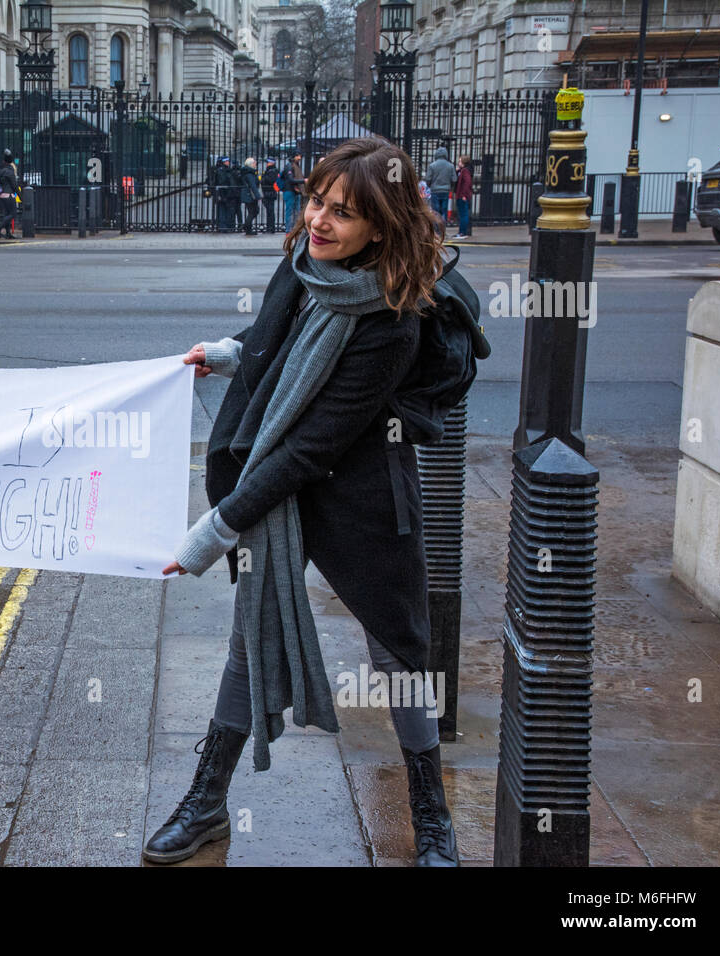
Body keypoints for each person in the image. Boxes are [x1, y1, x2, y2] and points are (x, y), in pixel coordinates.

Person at [147, 137, 460, 868]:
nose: (319, 219)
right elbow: (276, 338)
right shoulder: (304, 260)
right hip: (285, 493)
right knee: (248, 639)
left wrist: (211, 533)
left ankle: (432, 815)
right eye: (317, 200)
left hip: (360, 498)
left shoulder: (393, 323)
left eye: (343, 213)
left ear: (380, 228)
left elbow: (309, 449)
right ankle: (207, 803)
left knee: (398, 650)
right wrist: (225, 352)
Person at [424, 146, 456, 233]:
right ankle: (443, 230)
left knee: (435, 211)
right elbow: (454, 179)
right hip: (445, 191)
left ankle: (436, 230)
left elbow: (428, 179)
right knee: (443, 211)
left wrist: (430, 185)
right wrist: (449, 186)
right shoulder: (450, 166)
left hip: (435, 191)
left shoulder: (432, 165)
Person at [0, 149, 18, 239]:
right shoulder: (10, 172)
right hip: (9, 195)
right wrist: (20, 197)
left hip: (1, 195)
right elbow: (14, 186)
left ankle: (8, 234)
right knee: (13, 214)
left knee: (6, 214)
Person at [281, 152, 305, 232]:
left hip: (295, 192)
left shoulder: (295, 165)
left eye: (300, 156)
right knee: (290, 211)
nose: (299, 158)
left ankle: (295, 228)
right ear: (294, 156)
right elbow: (290, 179)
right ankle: (288, 229)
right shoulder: (289, 166)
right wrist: (303, 181)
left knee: (296, 211)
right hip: (290, 191)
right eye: (298, 156)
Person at [239, 157, 261, 237]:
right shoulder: (249, 174)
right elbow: (253, 186)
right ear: (251, 164)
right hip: (250, 195)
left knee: (254, 211)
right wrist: (258, 196)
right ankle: (247, 228)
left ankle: (247, 226)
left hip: (249, 195)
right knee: (252, 212)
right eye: (254, 163)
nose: (256, 164)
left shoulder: (250, 172)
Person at [453, 155, 473, 239]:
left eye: (460, 161)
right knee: (462, 215)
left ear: (464, 163)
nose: (459, 163)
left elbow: (467, 183)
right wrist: (457, 171)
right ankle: (461, 232)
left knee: (463, 215)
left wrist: (464, 195)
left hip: (462, 195)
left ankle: (463, 232)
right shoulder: (462, 171)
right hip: (460, 195)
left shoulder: (465, 171)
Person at [259, 157, 279, 233]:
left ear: (272, 163)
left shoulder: (272, 171)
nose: (267, 164)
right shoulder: (270, 170)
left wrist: (263, 178)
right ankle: (269, 227)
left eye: (268, 162)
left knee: (270, 211)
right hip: (268, 192)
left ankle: (271, 228)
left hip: (270, 193)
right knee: (269, 211)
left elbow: (269, 180)